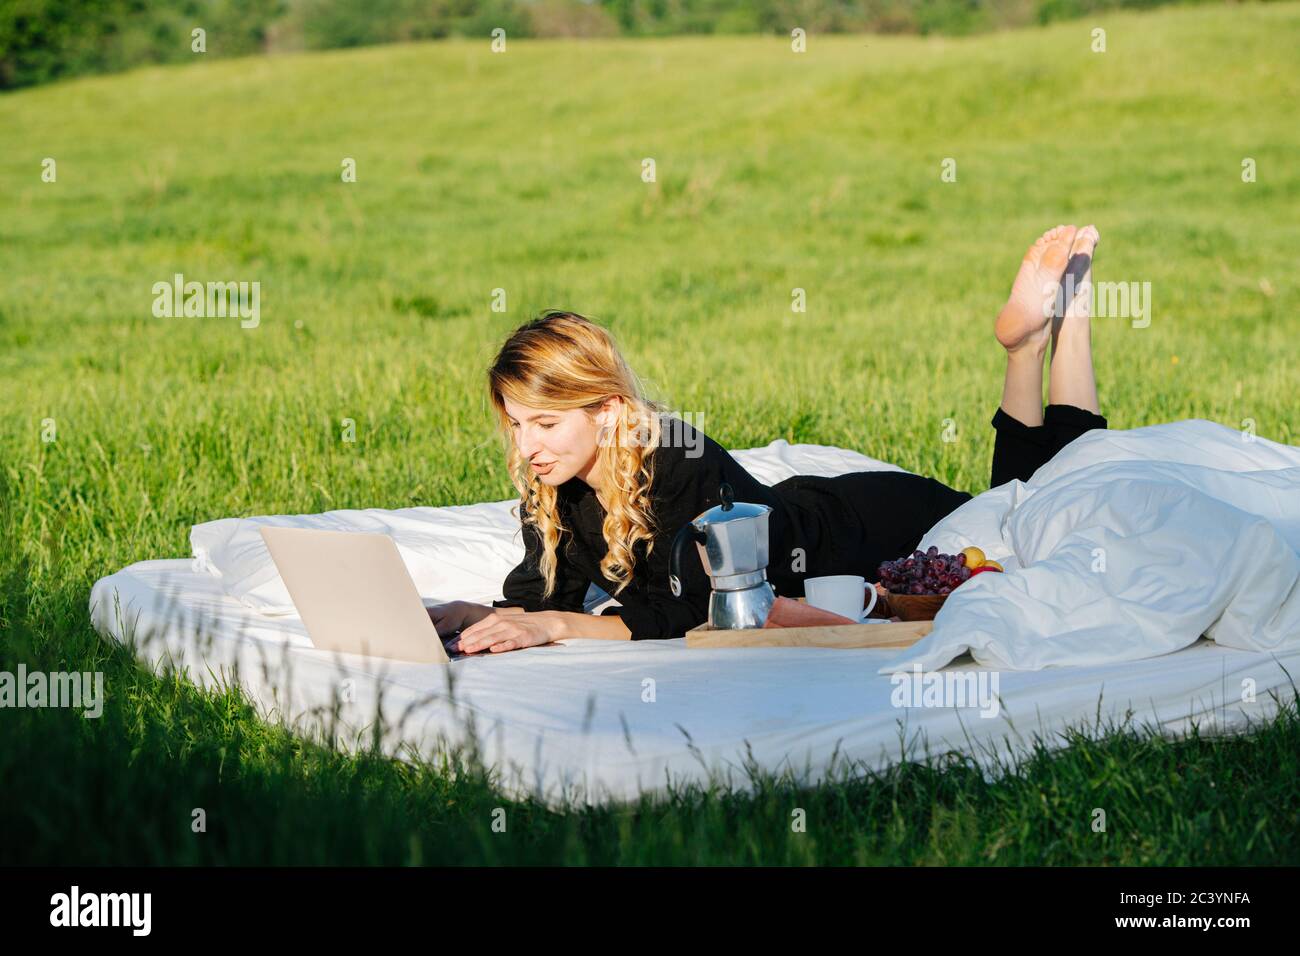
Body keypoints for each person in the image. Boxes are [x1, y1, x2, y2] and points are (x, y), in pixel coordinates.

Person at [428, 224, 1106, 654]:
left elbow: (697, 614)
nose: (527, 447)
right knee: (1021, 502)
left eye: (545, 424)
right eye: (516, 426)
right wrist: (463, 616)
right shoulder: (558, 486)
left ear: (607, 410)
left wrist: (555, 627)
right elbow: (544, 599)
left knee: (1035, 509)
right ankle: (1029, 346)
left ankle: (1066, 323)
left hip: (873, 527)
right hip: (812, 507)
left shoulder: (674, 458)